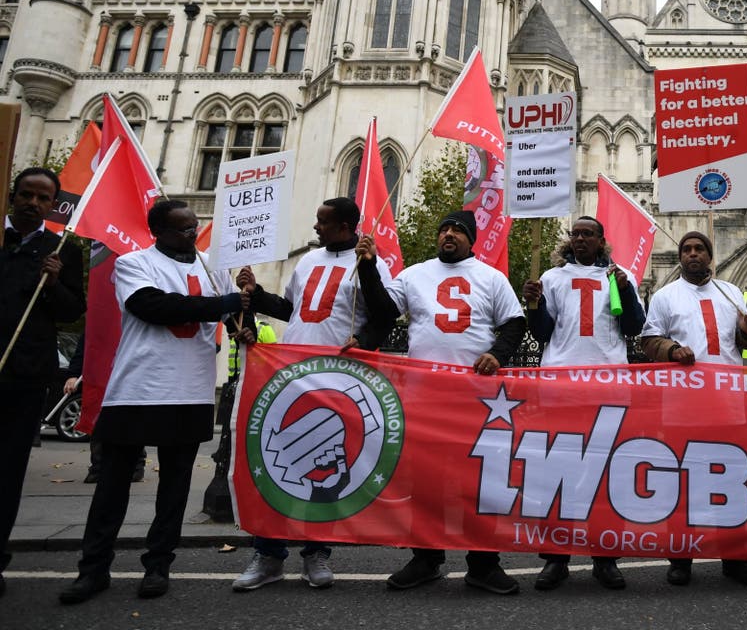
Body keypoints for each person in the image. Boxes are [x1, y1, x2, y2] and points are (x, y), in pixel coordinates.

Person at [59, 200, 252, 604]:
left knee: (175, 486)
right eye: (182, 229)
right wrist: (224, 304)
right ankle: (93, 569)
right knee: (112, 486)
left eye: (193, 227)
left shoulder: (213, 271)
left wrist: (244, 317)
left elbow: (236, 319)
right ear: (158, 231)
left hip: (191, 392)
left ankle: (158, 564)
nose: (190, 234)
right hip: (137, 391)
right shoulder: (134, 263)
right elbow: (152, 307)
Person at [358, 210, 526, 595]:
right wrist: (368, 267)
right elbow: (384, 312)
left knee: (480, 482)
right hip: (425, 396)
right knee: (427, 482)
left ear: (471, 239)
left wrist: (498, 355)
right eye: (444, 230)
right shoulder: (414, 274)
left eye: (457, 231)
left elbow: (514, 322)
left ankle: (483, 564)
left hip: (474, 398)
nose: (448, 235)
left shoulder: (491, 277)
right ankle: (426, 558)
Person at [230, 197, 393, 592]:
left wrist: (364, 338)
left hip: (336, 378)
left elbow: (385, 316)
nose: (316, 227)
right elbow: (293, 309)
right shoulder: (307, 261)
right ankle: (268, 555)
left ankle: (317, 553)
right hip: (293, 375)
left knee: (324, 466)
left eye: (323, 222)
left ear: (344, 225)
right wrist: (258, 292)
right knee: (275, 460)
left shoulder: (372, 263)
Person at [521, 216, 645, 591]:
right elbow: (542, 333)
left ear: (601, 240)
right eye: (575, 234)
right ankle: (556, 558)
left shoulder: (619, 275)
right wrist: (534, 305)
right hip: (562, 384)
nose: (579, 239)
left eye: (587, 234)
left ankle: (605, 557)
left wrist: (625, 291)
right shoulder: (554, 278)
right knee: (558, 470)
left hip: (608, 385)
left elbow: (634, 327)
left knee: (605, 473)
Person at [640, 231, 747, 588]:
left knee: (732, 480)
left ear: (710, 256)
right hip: (683, 405)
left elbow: (740, 344)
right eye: (687, 249)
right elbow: (649, 341)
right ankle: (682, 557)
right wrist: (672, 349)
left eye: (699, 249)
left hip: (728, 401)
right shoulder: (665, 296)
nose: (693, 254)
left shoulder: (732, 293)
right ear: (680, 256)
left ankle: (736, 559)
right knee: (683, 481)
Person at [0, 167, 85, 597]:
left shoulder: (62, 249)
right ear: (13, 195)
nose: (34, 203)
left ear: (54, 205)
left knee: (7, 471)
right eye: (27, 195)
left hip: (24, 376)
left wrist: (53, 283)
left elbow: (72, 309)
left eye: (43, 198)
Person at [64, 332, 146, 484]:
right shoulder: (99, 319)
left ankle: (136, 466)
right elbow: (86, 347)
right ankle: (99, 466)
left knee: (130, 422)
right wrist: (73, 374)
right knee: (98, 421)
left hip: (128, 378)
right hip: (100, 379)